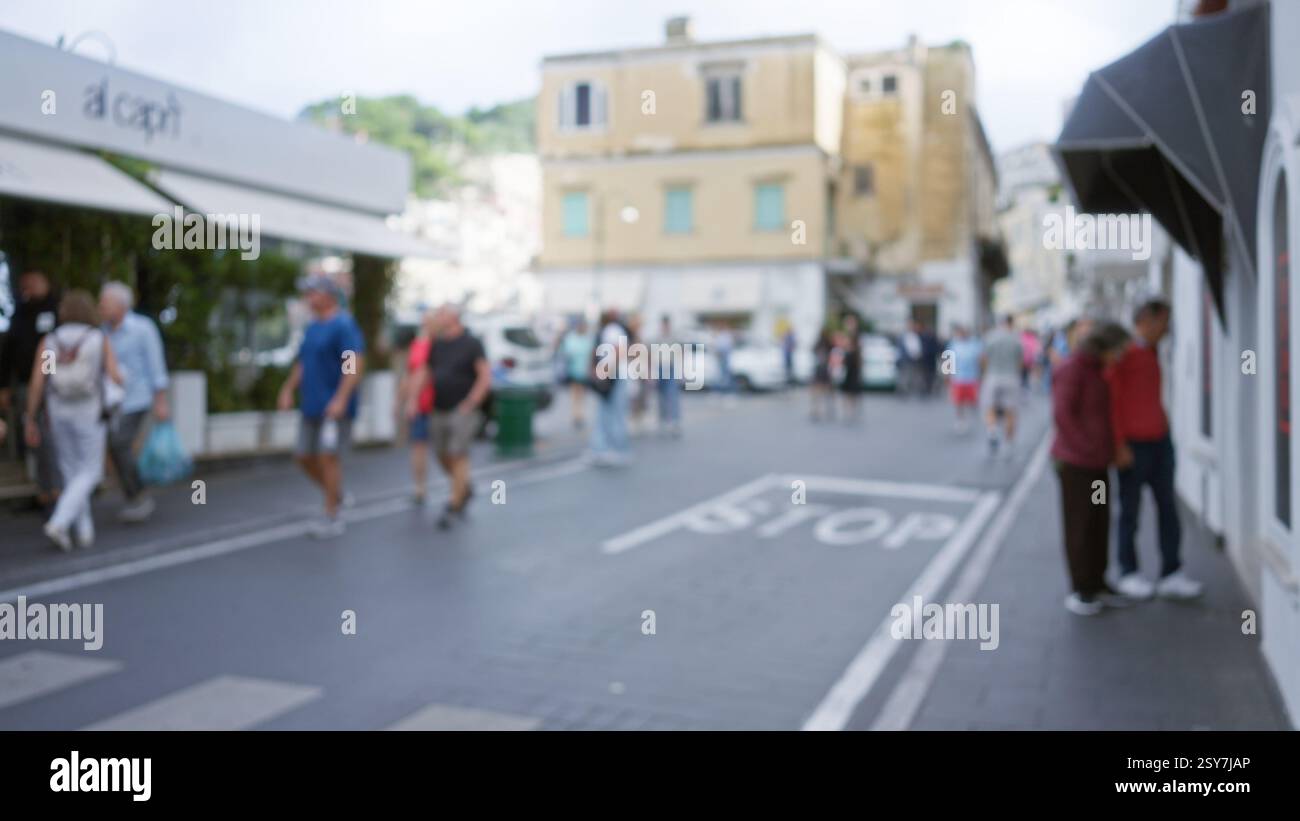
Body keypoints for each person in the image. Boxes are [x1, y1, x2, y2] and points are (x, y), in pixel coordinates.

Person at [1108, 299, 1202, 600]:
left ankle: (1171, 572)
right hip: (1135, 446)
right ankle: (1128, 572)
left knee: (1168, 509)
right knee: (1130, 511)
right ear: (1147, 320)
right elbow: (1112, 401)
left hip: (1159, 442)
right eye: (1163, 322)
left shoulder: (1151, 352)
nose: (1167, 329)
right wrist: (1119, 444)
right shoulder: (1124, 354)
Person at [23, 290, 124, 551]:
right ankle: (60, 522)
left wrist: (31, 416)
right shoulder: (97, 339)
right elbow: (114, 375)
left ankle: (83, 530)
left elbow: (38, 381)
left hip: (58, 410)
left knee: (70, 470)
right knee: (90, 471)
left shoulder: (50, 341)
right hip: (89, 410)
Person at [1050, 321, 1132, 616]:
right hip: (1076, 466)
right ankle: (1081, 588)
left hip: (1097, 465)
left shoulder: (1097, 370)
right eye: (1118, 349)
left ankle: (1097, 581)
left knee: (1099, 522)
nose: (1120, 355)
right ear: (1103, 346)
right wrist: (1086, 447)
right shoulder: (1072, 369)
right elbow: (1062, 414)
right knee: (1079, 526)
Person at [277, 275, 365, 538]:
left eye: (313, 293)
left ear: (328, 295)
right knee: (304, 455)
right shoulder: (312, 327)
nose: (309, 298)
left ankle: (332, 516)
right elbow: (303, 363)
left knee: (328, 456)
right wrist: (288, 388)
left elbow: (353, 363)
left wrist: (341, 398)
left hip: (334, 408)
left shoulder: (344, 325)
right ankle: (335, 494)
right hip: (311, 405)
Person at [407, 304, 491, 529]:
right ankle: (463, 485)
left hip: (461, 408)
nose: (438, 317)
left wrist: (472, 401)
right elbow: (425, 371)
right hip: (438, 407)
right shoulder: (438, 343)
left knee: (457, 453)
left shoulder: (472, 343)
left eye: (442, 313)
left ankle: (454, 503)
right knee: (442, 454)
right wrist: (413, 398)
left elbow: (484, 374)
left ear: (454, 316)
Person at [99, 282, 170, 523]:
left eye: (105, 302)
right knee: (116, 446)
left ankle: (139, 494)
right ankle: (134, 495)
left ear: (120, 305)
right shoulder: (102, 331)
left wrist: (160, 400)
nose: (101, 307)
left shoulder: (142, 328)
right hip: (112, 401)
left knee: (119, 443)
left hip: (137, 399)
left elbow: (156, 364)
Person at [0, 269, 60, 509]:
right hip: (26, 382)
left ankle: (57, 485)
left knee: (50, 434)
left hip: (53, 383)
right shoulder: (20, 313)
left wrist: (47, 375)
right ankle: (43, 486)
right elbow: (8, 352)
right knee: (33, 432)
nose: (29, 288)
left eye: (34, 282)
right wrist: (4, 385)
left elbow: (54, 346)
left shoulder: (56, 308)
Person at [399, 309, 439, 505]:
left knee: (446, 450)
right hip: (420, 405)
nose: (425, 326)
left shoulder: (439, 345)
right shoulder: (418, 344)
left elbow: (425, 373)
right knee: (418, 445)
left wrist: (411, 398)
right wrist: (402, 399)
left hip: (438, 403)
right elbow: (409, 372)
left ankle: (457, 486)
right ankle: (420, 487)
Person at [589, 309, 632, 466]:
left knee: (610, 413)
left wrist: (605, 373)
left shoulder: (611, 330)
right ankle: (606, 448)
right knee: (610, 412)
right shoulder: (616, 330)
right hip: (617, 375)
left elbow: (617, 352)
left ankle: (611, 449)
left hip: (614, 376)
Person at [980, 315, 1024, 456]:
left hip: (992, 376)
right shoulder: (1016, 339)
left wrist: (986, 373)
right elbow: (1020, 362)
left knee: (990, 407)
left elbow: (984, 358)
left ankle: (992, 432)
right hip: (1011, 377)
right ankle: (1008, 443)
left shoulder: (990, 337)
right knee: (1010, 410)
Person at [947, 325, 983, 433]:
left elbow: (981, 359)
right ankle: (960, 419)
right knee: (959, 401)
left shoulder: (975, 344)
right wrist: (947, 376)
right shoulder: (953, 345)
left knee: (973, 400)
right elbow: (948, 361)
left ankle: (974, 414)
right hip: (958, 378)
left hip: (972, 377)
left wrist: (981, 375)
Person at [559, 318, 593, 430]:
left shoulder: (587, 339)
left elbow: (592, 354)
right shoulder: (571, 338)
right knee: (575, 394)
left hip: (584, 372)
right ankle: (576, 415)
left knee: (582, 395)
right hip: (574, 371)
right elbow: (566, 353)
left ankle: (580, 414)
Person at [653, 314, 682, 437]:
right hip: (659, 369)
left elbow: (680, 355)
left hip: (670, 369)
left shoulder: (673, 338)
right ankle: (663, 421)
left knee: (672, 396)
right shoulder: (657, 338)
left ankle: (674, 422)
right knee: (661, 397)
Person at [838, 314, 864, 422]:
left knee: (853, 390)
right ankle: (848, 412)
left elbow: (857, 350)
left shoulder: (856, 336)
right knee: (847, 391)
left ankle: (853, 411)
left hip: (854, 366)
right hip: (848, 365)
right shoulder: (847, 335)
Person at [811, 327, 836, 422]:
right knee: (826, 390)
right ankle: (826, 409)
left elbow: (813, 351)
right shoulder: (828, 343)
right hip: (825, 368)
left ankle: (817, 409)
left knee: (818, 391)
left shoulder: (820, 343)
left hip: (821, 368)